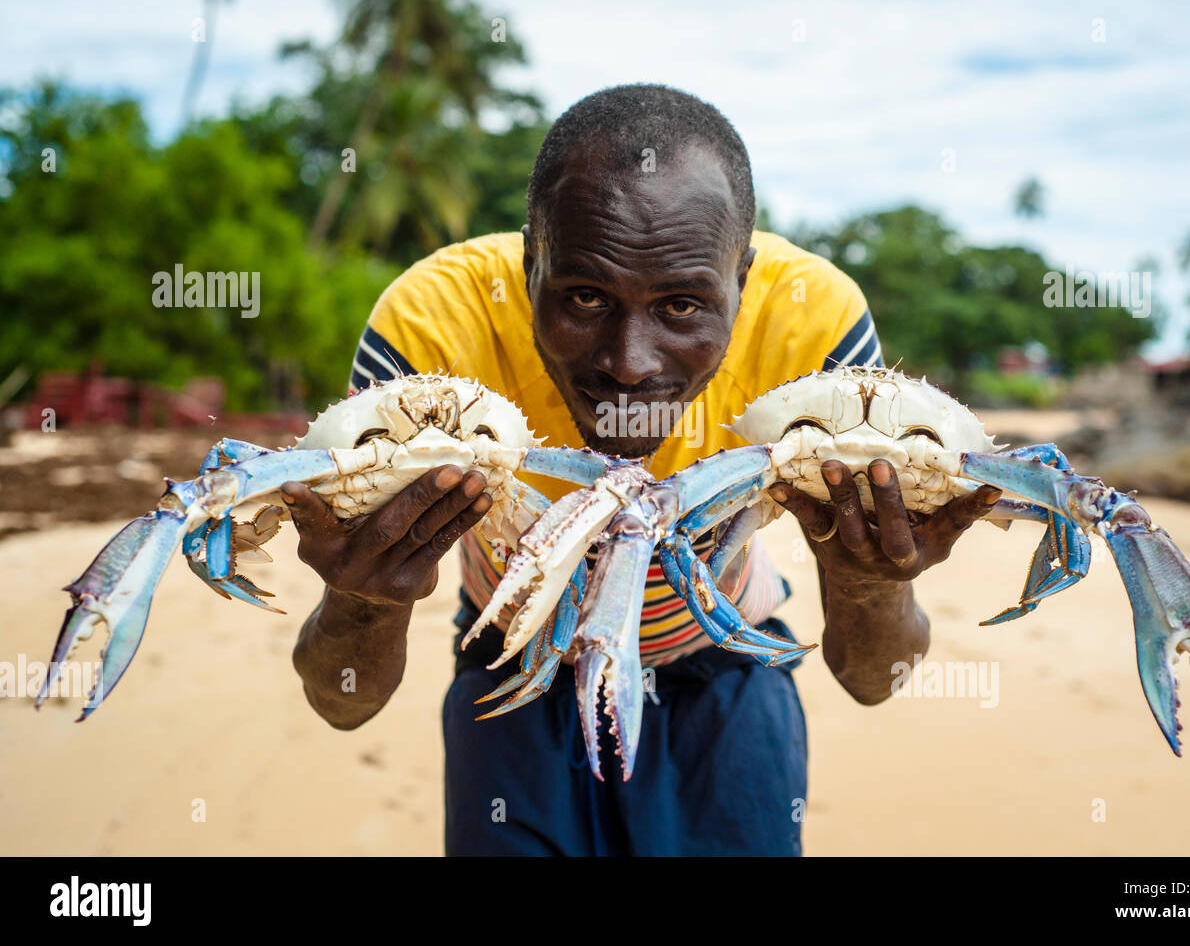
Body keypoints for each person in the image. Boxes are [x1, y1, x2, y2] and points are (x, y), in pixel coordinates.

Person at [284, 84, 1000, 856]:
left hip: (724, 666)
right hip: (510, 661)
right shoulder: (431, 326)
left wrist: (871, 578)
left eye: (684, 307)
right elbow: (342, 702)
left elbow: (874, 679)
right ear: (530, 266)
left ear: (745, 282)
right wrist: (362, 599)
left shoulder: (816, 327)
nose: (628, 365)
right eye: (585, 297)